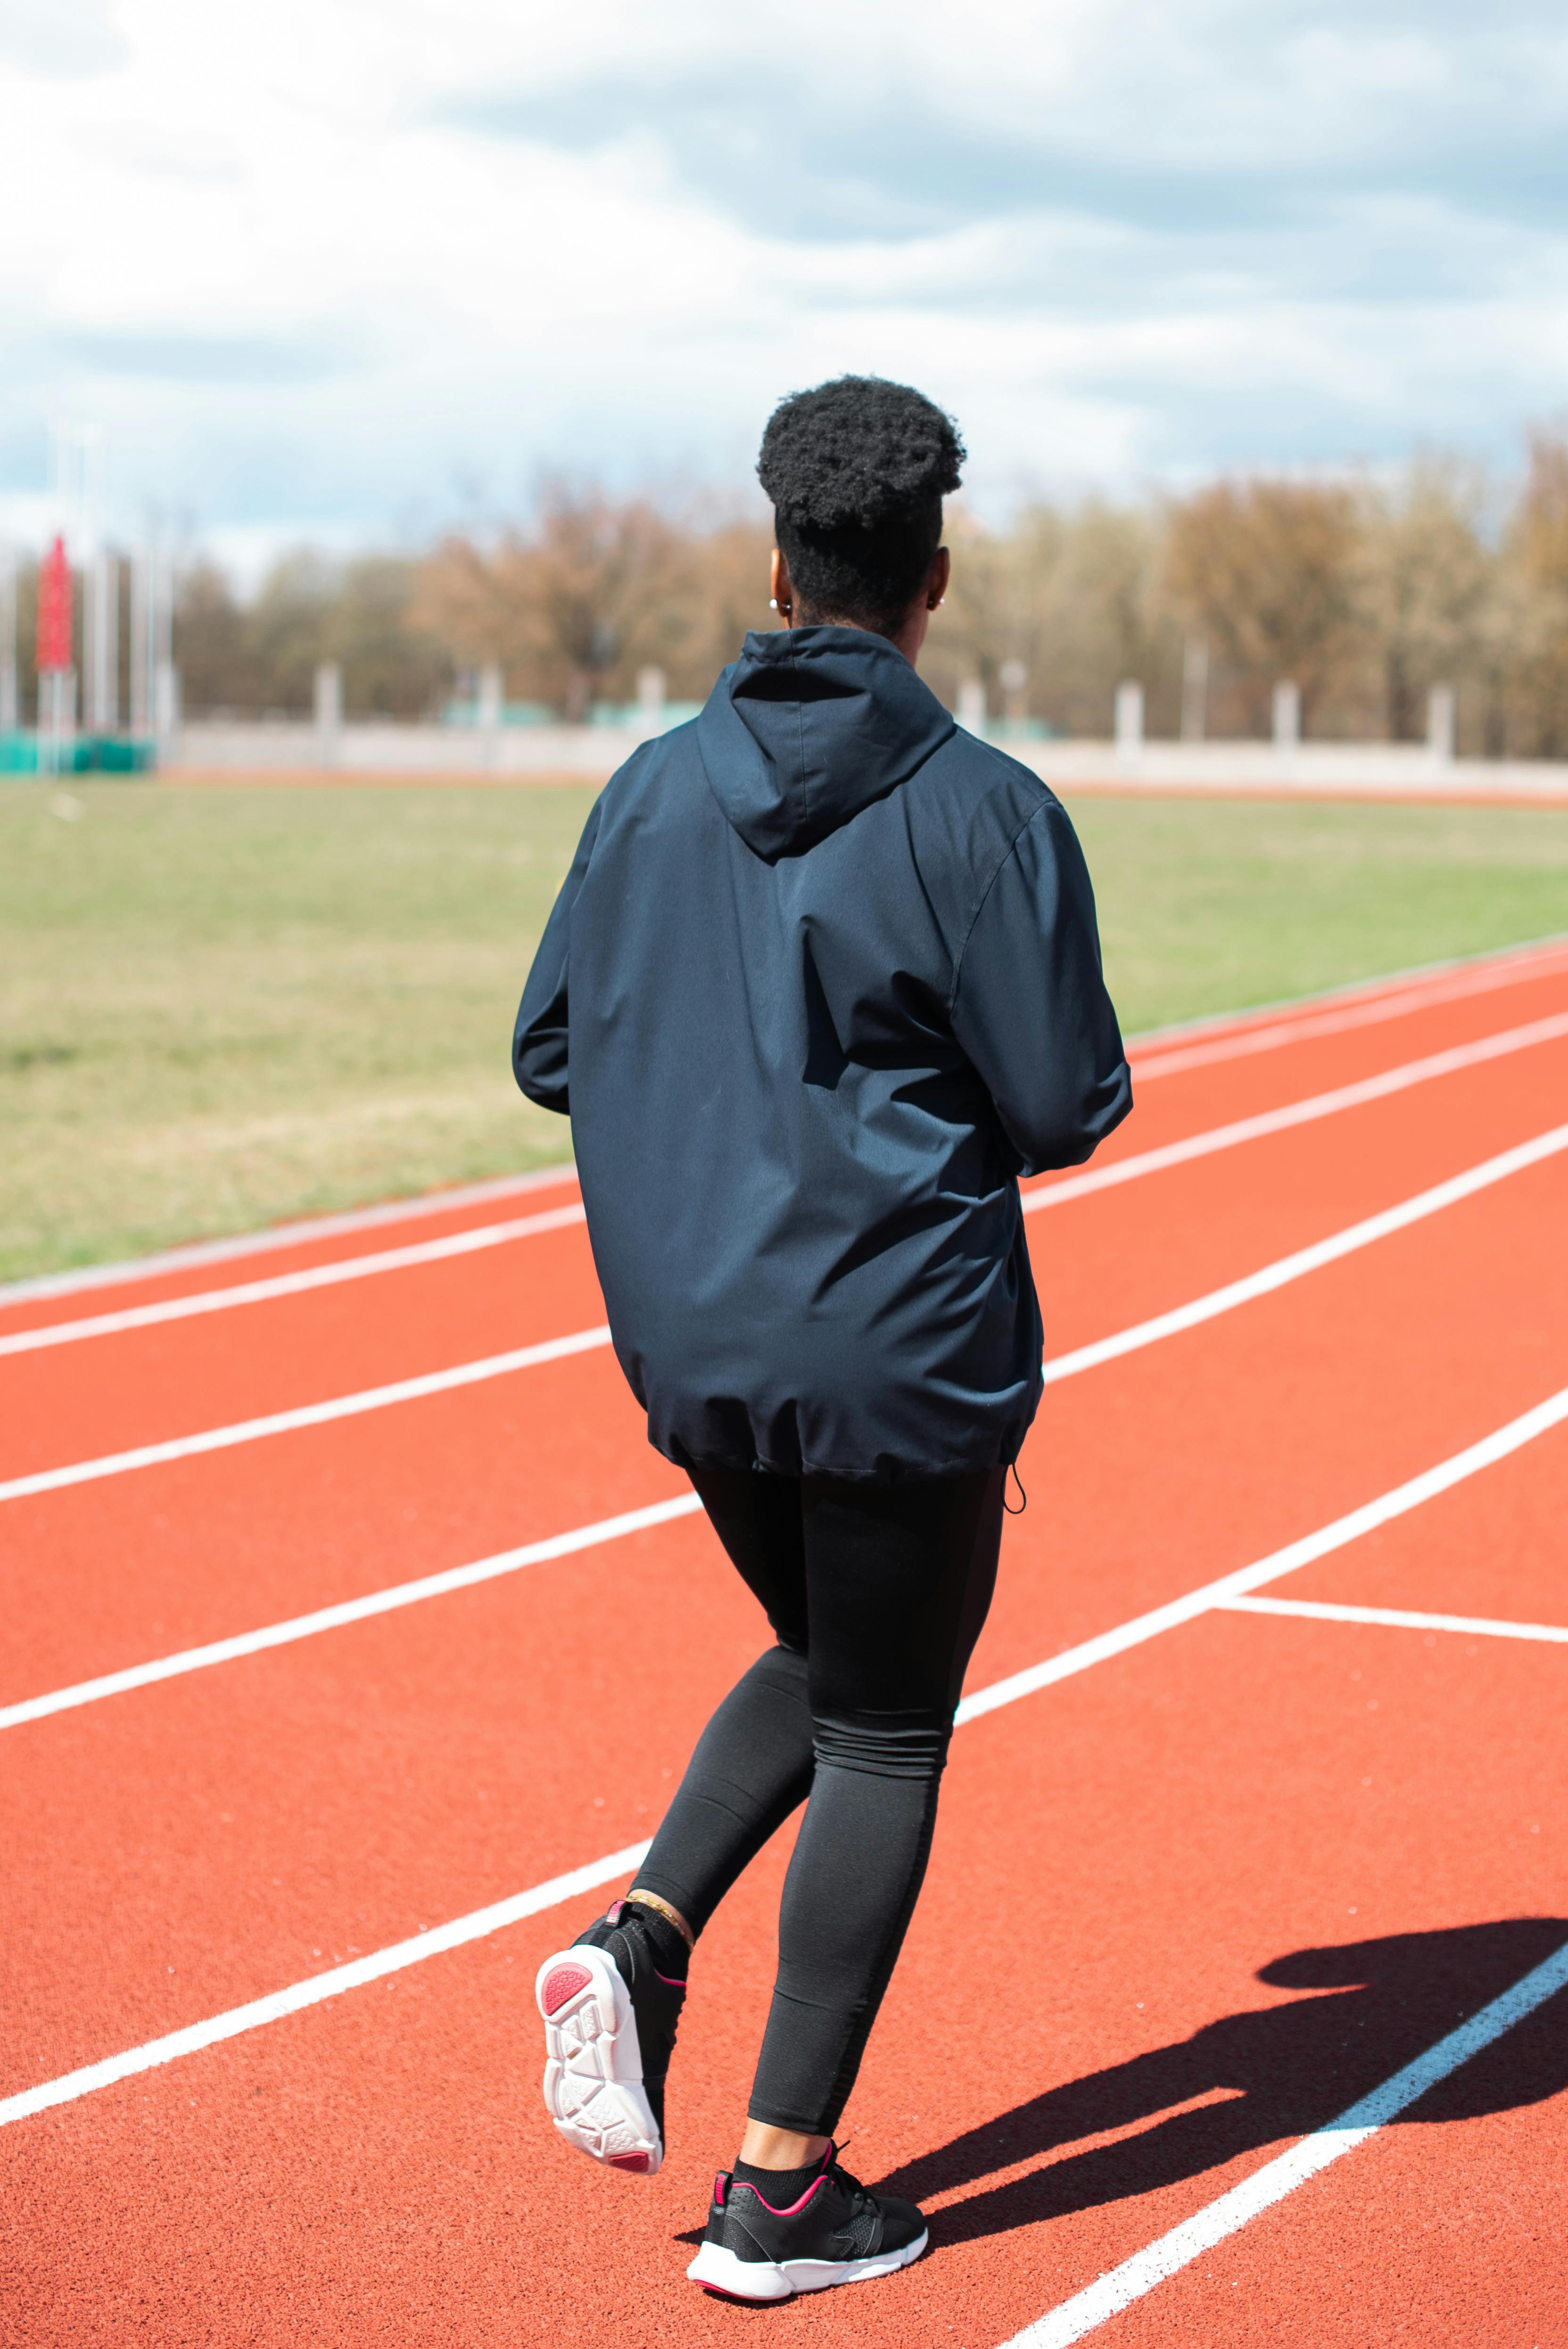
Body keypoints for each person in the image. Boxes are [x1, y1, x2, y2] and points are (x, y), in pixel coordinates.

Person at [514, 374, 1131, 2303]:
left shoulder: (642, 788)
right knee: (883, 1716)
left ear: (773, 563)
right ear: (930, 580)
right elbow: (1059, 1103)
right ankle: (782, 2194)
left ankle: (639, 1939)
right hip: (897, 1347)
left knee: (825, 1649)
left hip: (689, 1346)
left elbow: (548, 1051)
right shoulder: (985, 810)